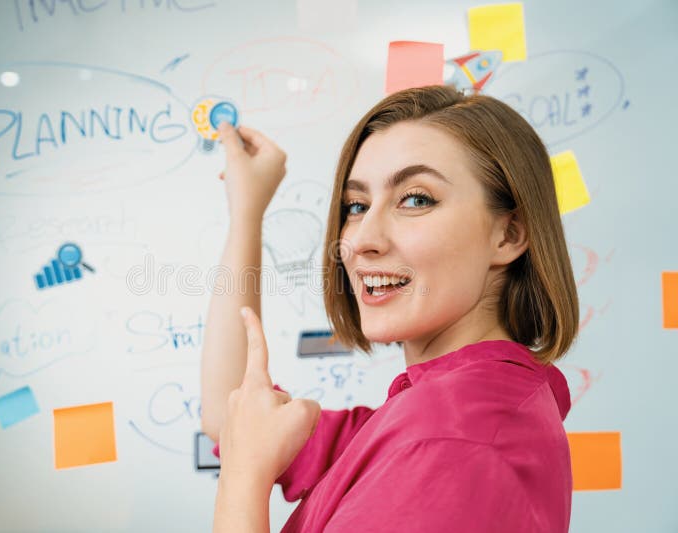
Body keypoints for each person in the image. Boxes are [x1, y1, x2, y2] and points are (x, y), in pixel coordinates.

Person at [200, 84, 579, 532]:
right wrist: (247, 209)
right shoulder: (436, 410)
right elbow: (230, 412)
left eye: (416, 199)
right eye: (356, 206)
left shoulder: (451, 440)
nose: (361, 239)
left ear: (509, 235)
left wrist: (243, 480)